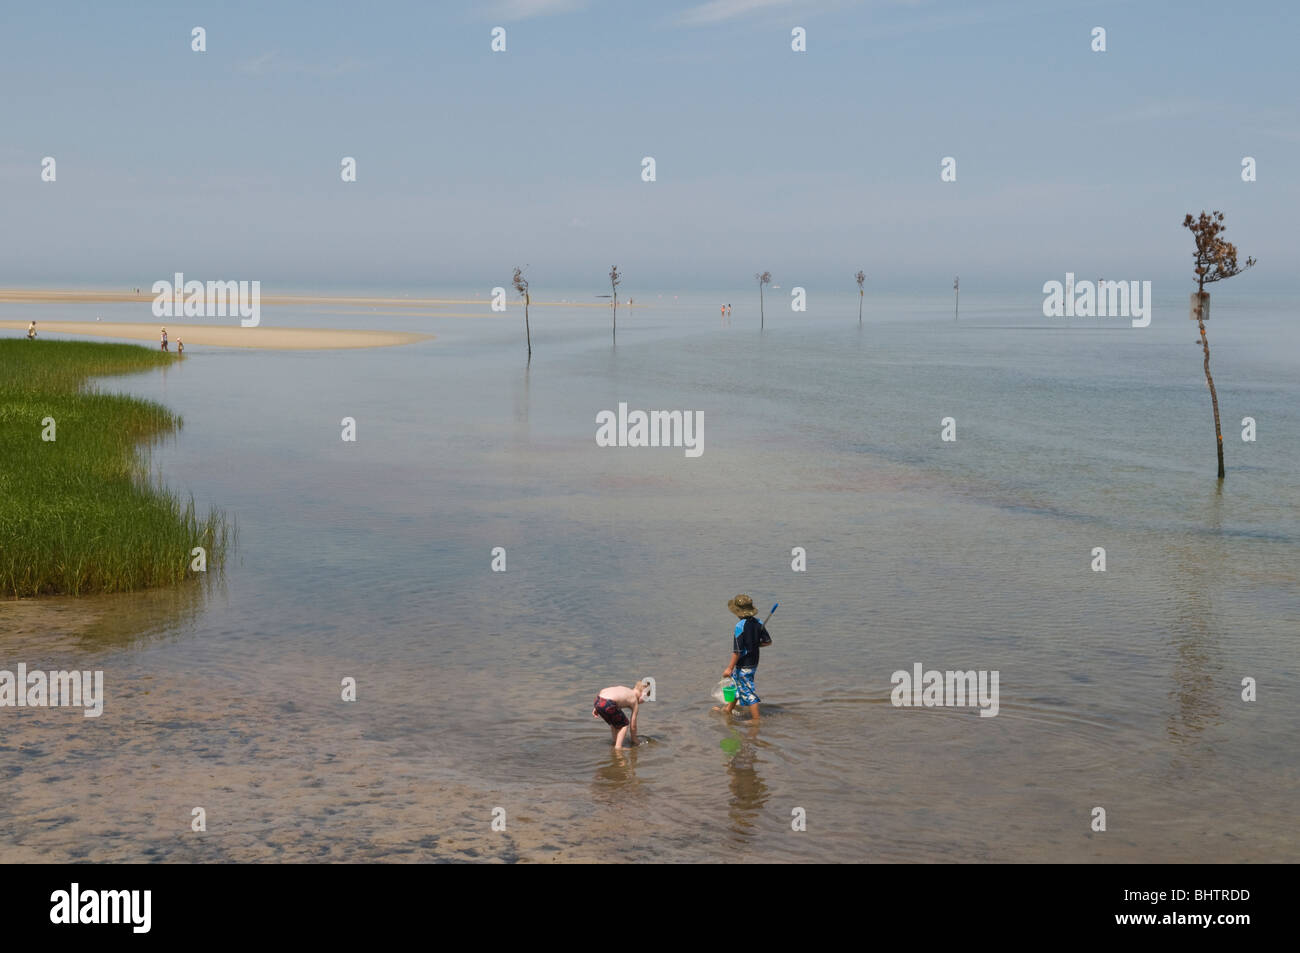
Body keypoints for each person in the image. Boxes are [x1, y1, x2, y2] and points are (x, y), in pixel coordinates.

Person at [714, 594, 771, 719]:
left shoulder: (739, 626)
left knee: (748, 692)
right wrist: (755, 644)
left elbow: (737, 651)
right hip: (754, 662)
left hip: (744, 663)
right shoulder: (758, 622)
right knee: (736, 685)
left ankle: (756, 720)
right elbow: (767, 641)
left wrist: (729, 668)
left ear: (737, 612)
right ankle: (728, 709)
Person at [592, 680, 650, 747]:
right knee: (624, 725)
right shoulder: (634, 701)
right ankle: (618, 748)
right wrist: (634, 739)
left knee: (614, 722)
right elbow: (633, 725)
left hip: (599, 700)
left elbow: (603, 690)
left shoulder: (625, 689)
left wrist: (597, 707)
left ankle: (615, 741)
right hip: (609, 703)